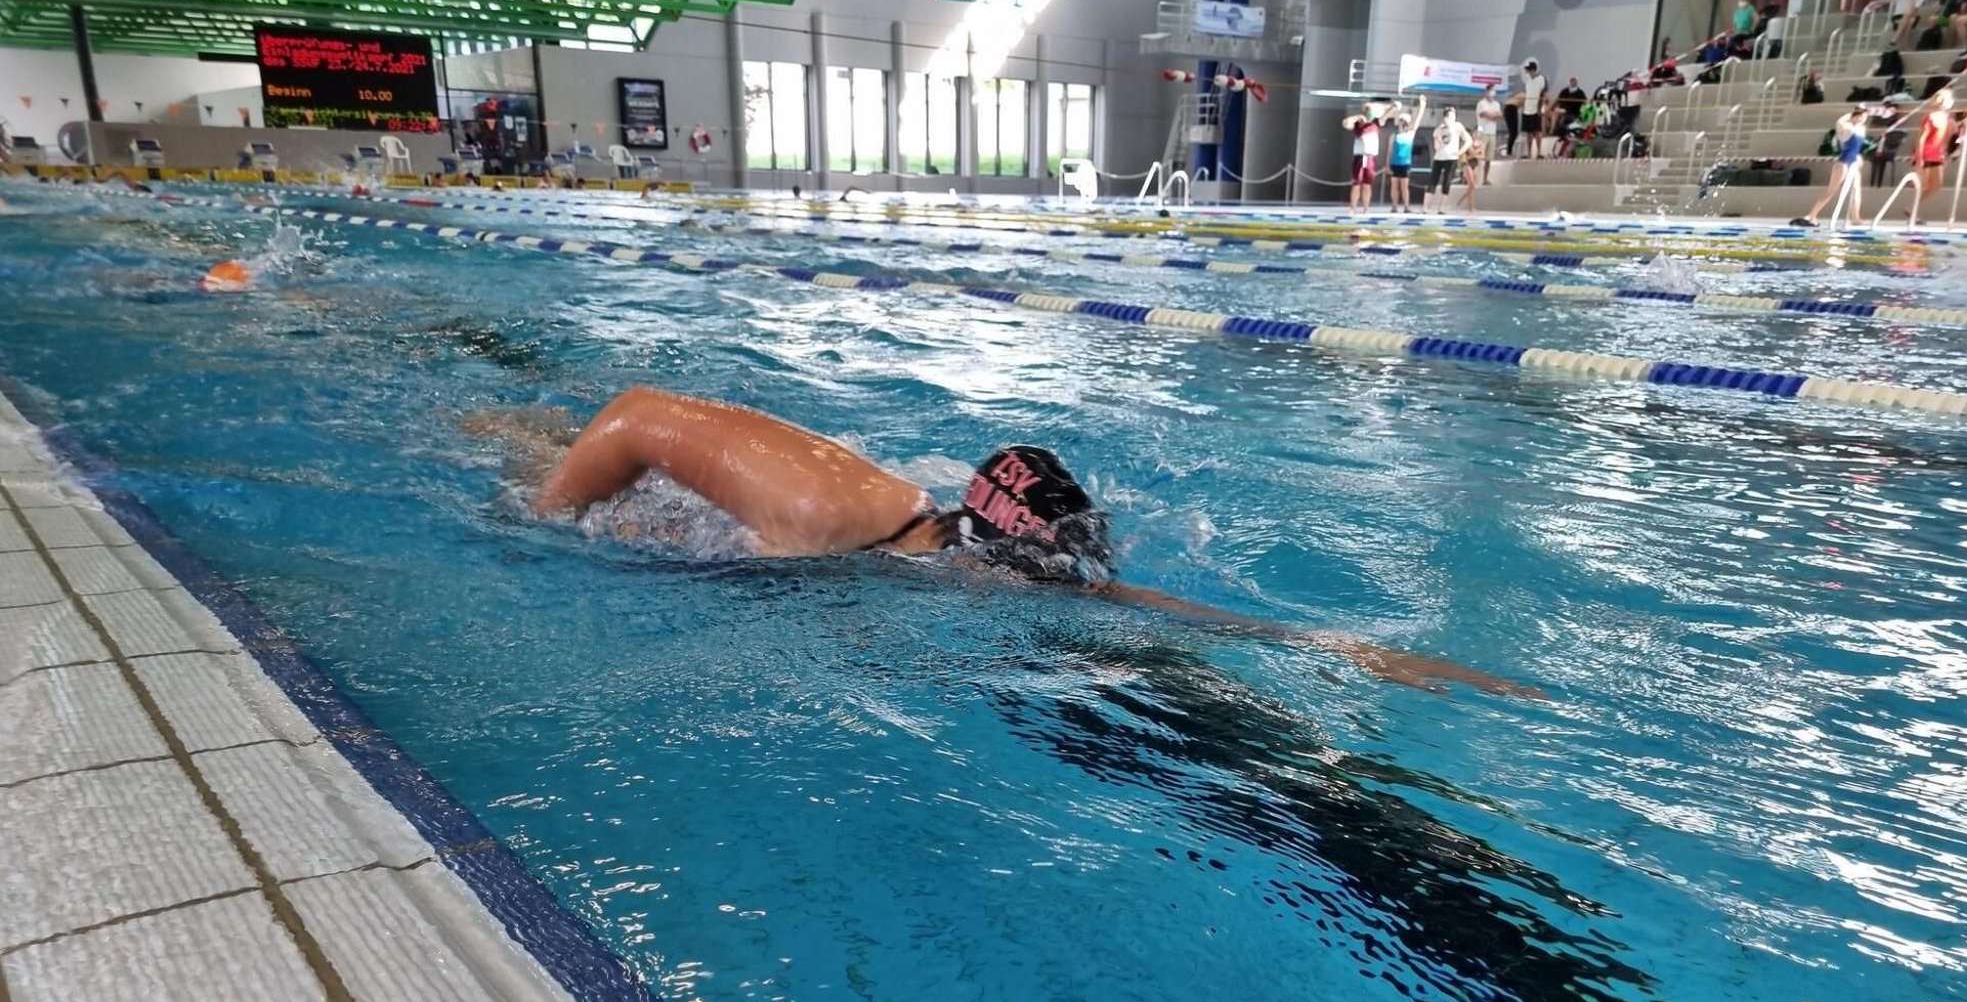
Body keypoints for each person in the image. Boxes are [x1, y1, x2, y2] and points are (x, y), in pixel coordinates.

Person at [514, 390, 1534, 695]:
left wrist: (1334, 648)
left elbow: (1108, 605)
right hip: (628, 502)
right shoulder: (831, 509)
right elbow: (636, 417)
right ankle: (506, 449)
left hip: (736, 556)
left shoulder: (976, 566)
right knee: (516, 457)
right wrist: (536, 521)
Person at [1792, 104, 1870, 226]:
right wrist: (1853, 113)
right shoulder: (1846, 128)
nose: (1862, 118)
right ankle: (1812, 215)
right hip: (1843, 163)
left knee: (1856, 190)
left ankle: (1855, 217)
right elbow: (1839, 122)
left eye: (1864, 115)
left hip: (1853, 163)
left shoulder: (1861, 129)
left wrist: (1858, 156)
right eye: (1860, 115)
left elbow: (1856, 147)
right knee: (1832, 191)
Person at [1916, 86, 1960, 200]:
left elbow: (1952, 132)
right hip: (1929, 154)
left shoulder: (1947, 118)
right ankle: (1911, 207)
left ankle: (1912, 207)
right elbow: (1921, 138)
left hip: (1937, 154)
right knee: (1930, 184)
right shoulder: (1931, 117)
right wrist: (1919, 158)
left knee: (1935, 185)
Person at [1427, 106, 1471, 211]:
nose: (1450, 118)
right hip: (1439, 158)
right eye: (1447, 116)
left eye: (1452, 115)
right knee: (1433, 181)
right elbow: (1436, 147)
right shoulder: (1438, 129)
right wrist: (1439, 141)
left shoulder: (1457, 126)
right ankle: (1425, 207)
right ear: (1444, 117)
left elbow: (1468, 140)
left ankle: (1441, 208)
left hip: (1451, 158)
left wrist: (1461, 151)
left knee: (1446, 182)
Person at [1342, 105, 1382, 211]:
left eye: (1370, 110)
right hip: (1359, 156)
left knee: (1367, 184)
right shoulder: (1357, 124)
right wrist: (1357, 117)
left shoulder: (1376, 123)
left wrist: (1393, 107)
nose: (1368, 112)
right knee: (1356, 183)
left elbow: (1386, 116)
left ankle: (1366, 208)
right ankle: (1353, 208)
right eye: (1366, 110)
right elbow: (1345, 123)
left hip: (1370, 156)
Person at [1387, 99, 1424, 210]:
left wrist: (1422, 107)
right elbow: (1389, 151)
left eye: (1405, 121)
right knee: (1394, 185)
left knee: (1404, 186)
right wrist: (1387, 165)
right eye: (1401, 121)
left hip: (1405, 163)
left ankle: (1406, 206)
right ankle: (1394, 206)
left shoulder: (1410, 134)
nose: (1403, 123)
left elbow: (1417, 121)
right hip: (1395, 163)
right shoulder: (1394, 136)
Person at [1475, 85, 1503, 182]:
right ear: (1486, 91)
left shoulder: (1496, 104)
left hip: (1492, 133)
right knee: (1479, 158)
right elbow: (1487, 115)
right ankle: (1476, 178)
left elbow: (1499, 116)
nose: (1492, 92)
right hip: (1482, 133)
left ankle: (1485, 179)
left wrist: (1493, 115)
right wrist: (1493, 115)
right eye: (1490, 90)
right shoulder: (1481, 103)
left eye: (1493, 91)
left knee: (1489, 158)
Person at [1520, 60, 1548, 156]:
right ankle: (1529, 153)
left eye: (1528, 70)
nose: (1527, 72)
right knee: (1528, 132)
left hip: (1536, 109)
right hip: (1527, 109)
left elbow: (1543, 94)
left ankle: (1539, 152)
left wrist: (1540, 108)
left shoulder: (1541, 79)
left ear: (1533, 70)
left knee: (1537, 131)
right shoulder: (1528, 81)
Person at [1455, 127, 1484, 211]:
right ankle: (1470, 206)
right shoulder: (1468, 143)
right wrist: (1478, 152)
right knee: (1471, 184)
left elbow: (1482, 156)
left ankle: (1465, 203)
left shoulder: (1481, 143)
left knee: (1472, 187)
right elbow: (1473, 153)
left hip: (1474, 163)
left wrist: (1476, 154)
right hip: (1467, 164)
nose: (1477, 134)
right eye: (1475, 133)